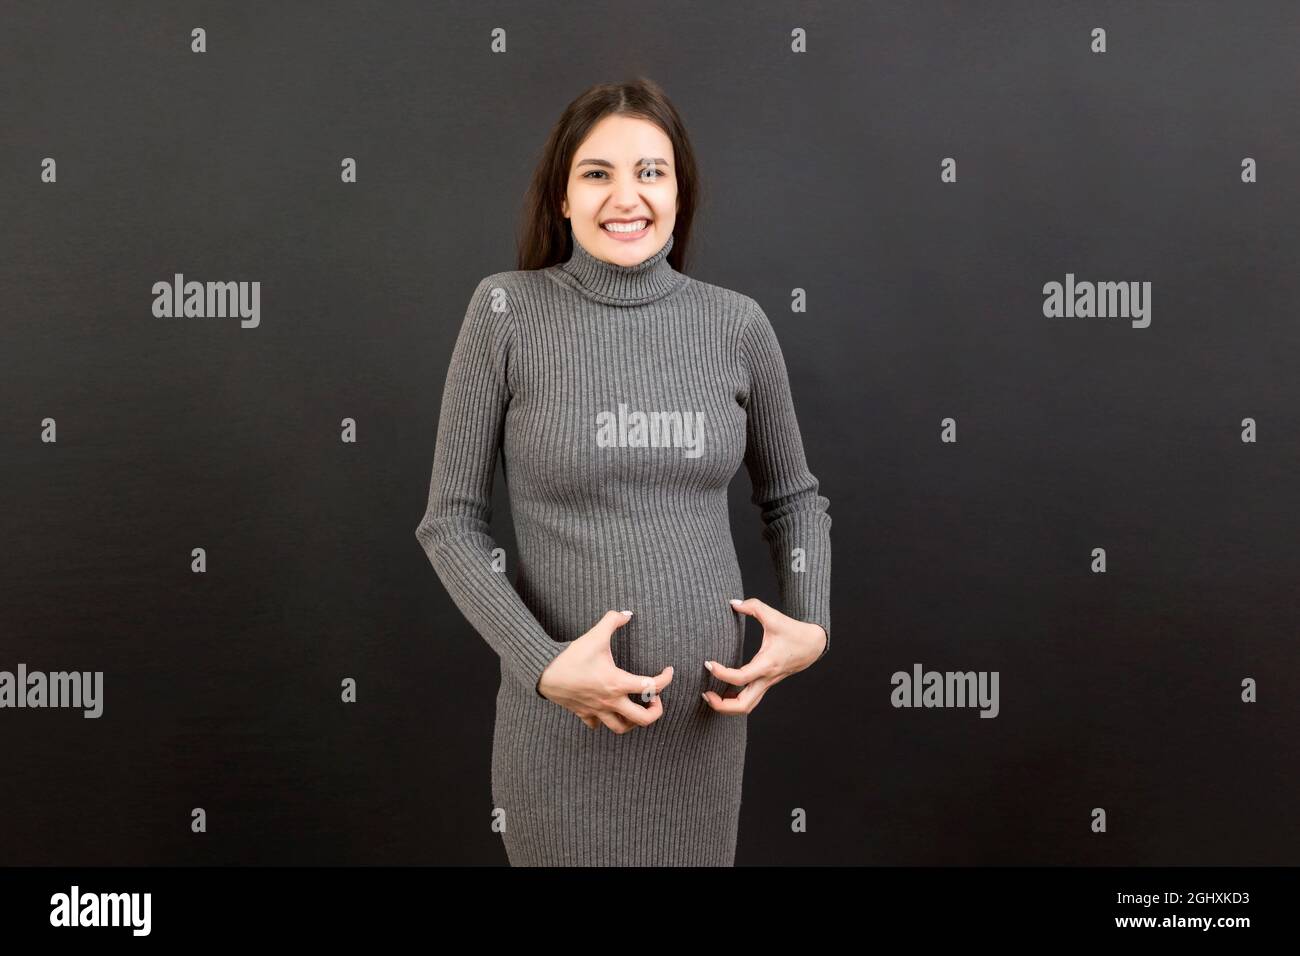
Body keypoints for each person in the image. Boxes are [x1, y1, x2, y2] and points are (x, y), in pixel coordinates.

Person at [415, 77, 831, 866]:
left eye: (651, 171)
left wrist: (811, 623)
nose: (626, 196)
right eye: (597, 173)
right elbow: (450, 523)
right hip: (563, 737)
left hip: (702, 737)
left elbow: (795, 499)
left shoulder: (735, 325)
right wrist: (545, 670)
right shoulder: (506, 313)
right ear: (562, 199)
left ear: (680, 193)